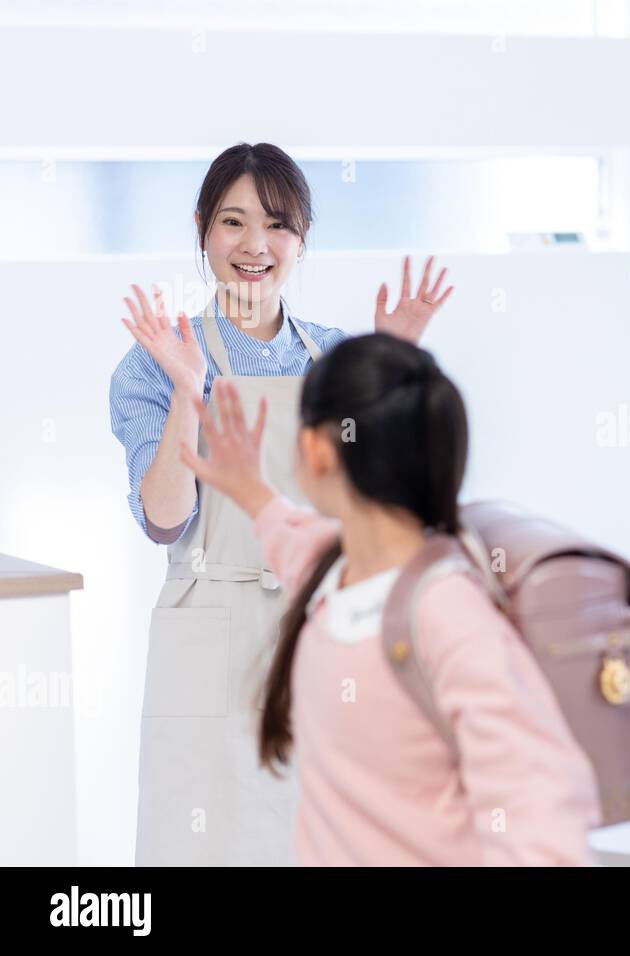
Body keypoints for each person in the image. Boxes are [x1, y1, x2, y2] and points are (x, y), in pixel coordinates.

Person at [110, 142, 453, 865]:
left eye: (277, 224)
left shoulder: (335, 358)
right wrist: (186, 388)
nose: (254, 246)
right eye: (233, 222)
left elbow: (383, 516)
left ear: (302, 239)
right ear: (202, 228)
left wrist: (389, 372)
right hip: (208, 637)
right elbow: (165, 517)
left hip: (317, 632)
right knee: (199, 839)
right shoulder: (152, 358)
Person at [181, 335, 600, 865]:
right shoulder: (341, 570)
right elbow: (294, 540)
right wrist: (252, 492)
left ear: (316, 449)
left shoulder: (447, 615)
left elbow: (543, 810)